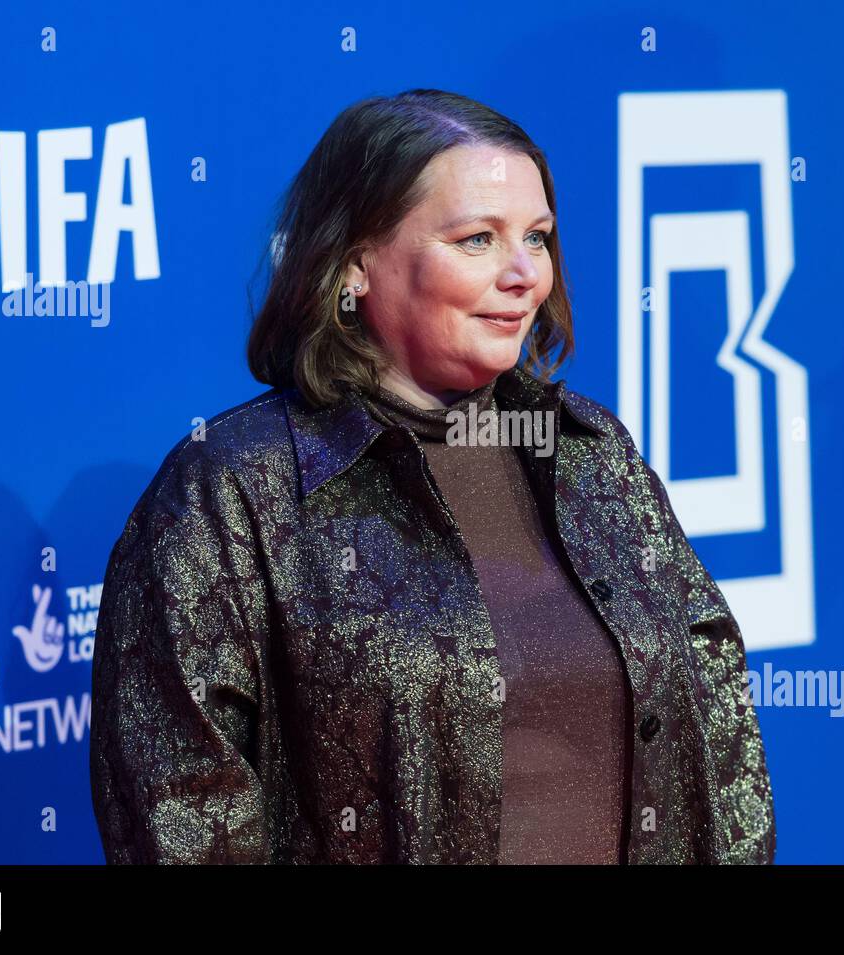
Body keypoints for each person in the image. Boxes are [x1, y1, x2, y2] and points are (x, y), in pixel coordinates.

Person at [89, 88, 775, 864]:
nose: (524, 274)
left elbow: (719, 729)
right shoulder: (232, 490)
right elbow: (185, 817)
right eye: (477, 239)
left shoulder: (590, 451)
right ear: (354, 265)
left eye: (539, 238)